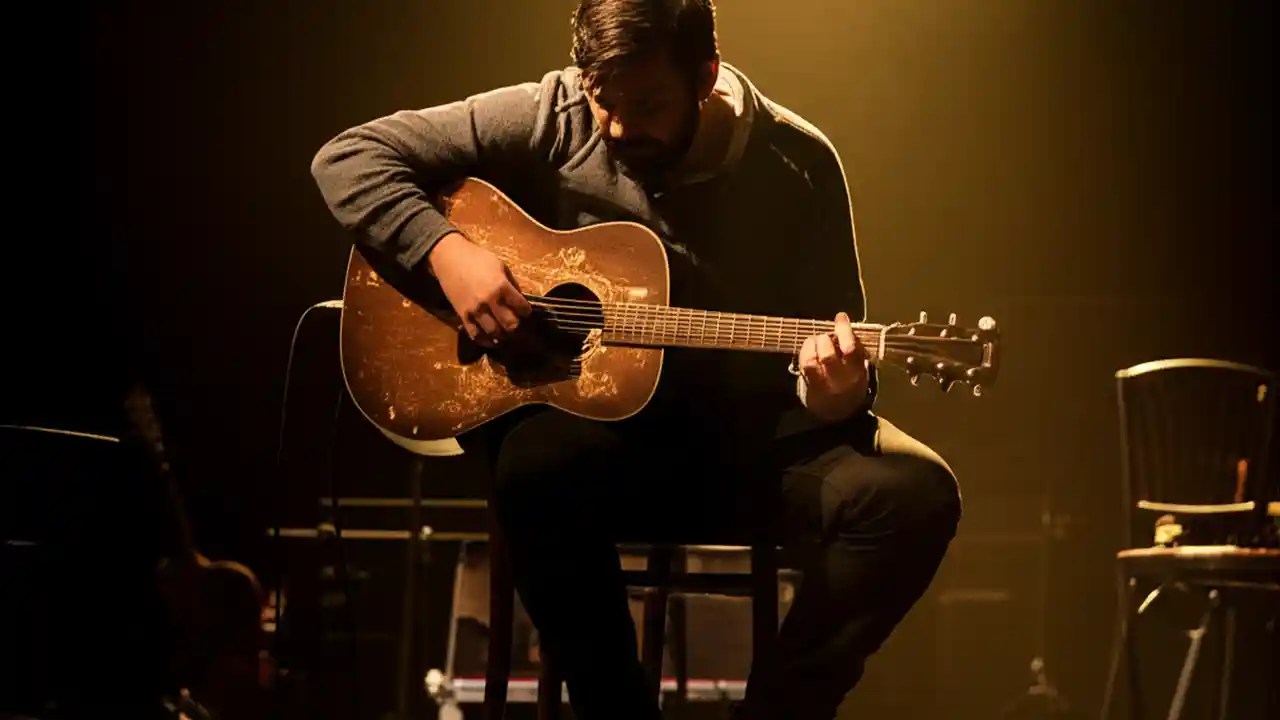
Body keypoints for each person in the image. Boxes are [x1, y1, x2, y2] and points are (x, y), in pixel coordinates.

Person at [310, 1, 961, 717]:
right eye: (604, 100)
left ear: (706, 75)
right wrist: (446, 253)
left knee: (914, 493)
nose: (618, 128)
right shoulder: (553, 114)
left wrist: (832, 393)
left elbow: (835, 346)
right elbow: (348, 157)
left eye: (647, 103)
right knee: (532, 468)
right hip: (610, 443)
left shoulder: (796, 163)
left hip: (747, 447)